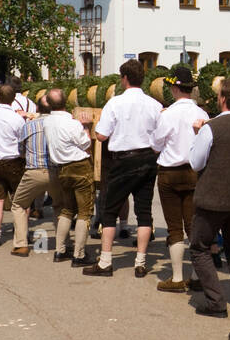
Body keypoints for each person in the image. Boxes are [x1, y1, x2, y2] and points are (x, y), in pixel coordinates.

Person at [188, 79, 230, 317]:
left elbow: (196, 162)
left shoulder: (211, 127)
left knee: (199, 247)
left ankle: (216, 301)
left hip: (213, 198)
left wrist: (197, 134)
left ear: (223, 99)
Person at [90, 59, 162, 276]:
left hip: (123, 159)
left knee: (110, 210)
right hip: (148, 158)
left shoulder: (115, 103)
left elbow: (101, 135)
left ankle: (105, 261)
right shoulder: (154, 105)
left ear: (125, 78)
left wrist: (92, 129)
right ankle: (140, 262)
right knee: (144, 212)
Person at [150, 66, 209, 291]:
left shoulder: (168, 114)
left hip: (169, 172)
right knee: (194, 225)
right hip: (195, 172)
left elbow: (155, 145)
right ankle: (196, 275)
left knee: (174, 227)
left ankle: (176, 278)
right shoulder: (202, 114)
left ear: (174, 88)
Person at [42, 88, 96, 264]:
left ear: (49, 104)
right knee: (84, 212)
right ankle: (79, 254)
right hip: (79, 166)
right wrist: (86, 126)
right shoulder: (72, 123)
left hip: (62, 168)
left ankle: (60, 250)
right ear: (66, 101)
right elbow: (85, 142)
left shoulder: (47, 122)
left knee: (66, 209)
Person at [0, 83, 28, 248]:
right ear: (14, 98)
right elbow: (22, 139)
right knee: (20, 199)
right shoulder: (16, 118)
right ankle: (22, 232)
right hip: (13, 159)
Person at [10, 94, 53, 256]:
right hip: (55, 171)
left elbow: (20, 151)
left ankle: (21, 244)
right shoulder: (61, 123)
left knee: (19, 204)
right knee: (61, 207)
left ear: (37, 109)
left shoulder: (29, 126)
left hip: (34, 170)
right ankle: (64, 246)